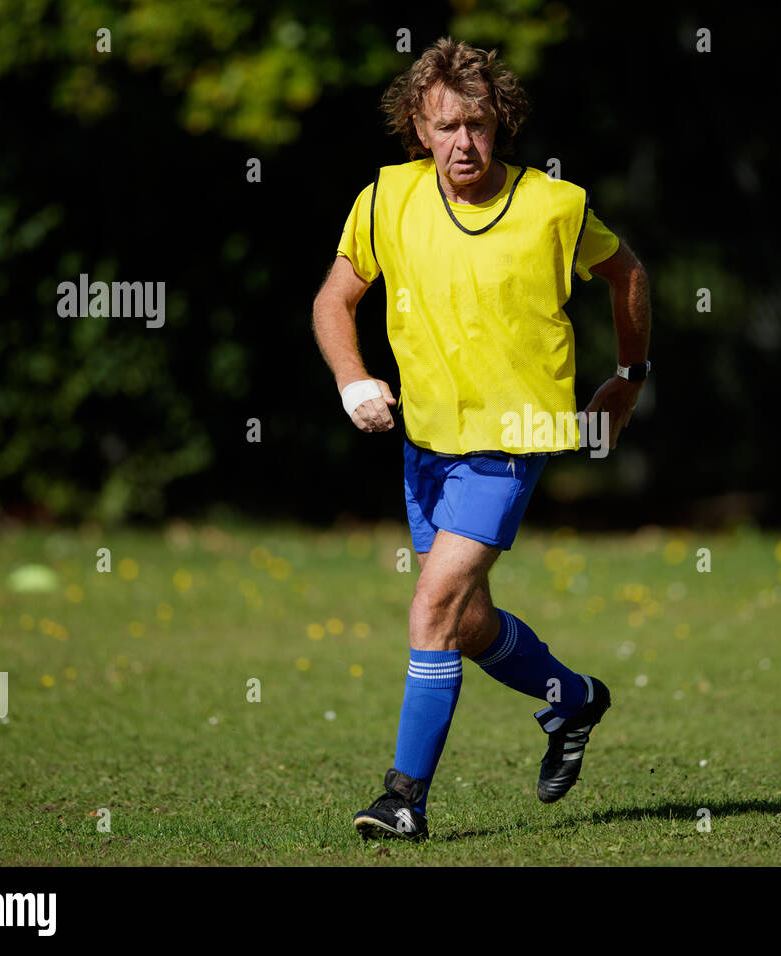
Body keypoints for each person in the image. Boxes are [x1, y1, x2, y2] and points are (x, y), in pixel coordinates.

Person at [311, 36, 651, 841]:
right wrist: (353, 381)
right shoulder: (384, 200)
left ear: (501, 122)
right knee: (464, 623)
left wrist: (629, 376)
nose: (463, 144)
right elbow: (334, 301)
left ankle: (402, 799)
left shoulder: (553, 207)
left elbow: (627, 272)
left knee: (432, 607)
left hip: (514, 438)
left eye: (478, 124)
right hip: (425, 443)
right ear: (418, 130)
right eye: (445, 127)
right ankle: (573, 698)